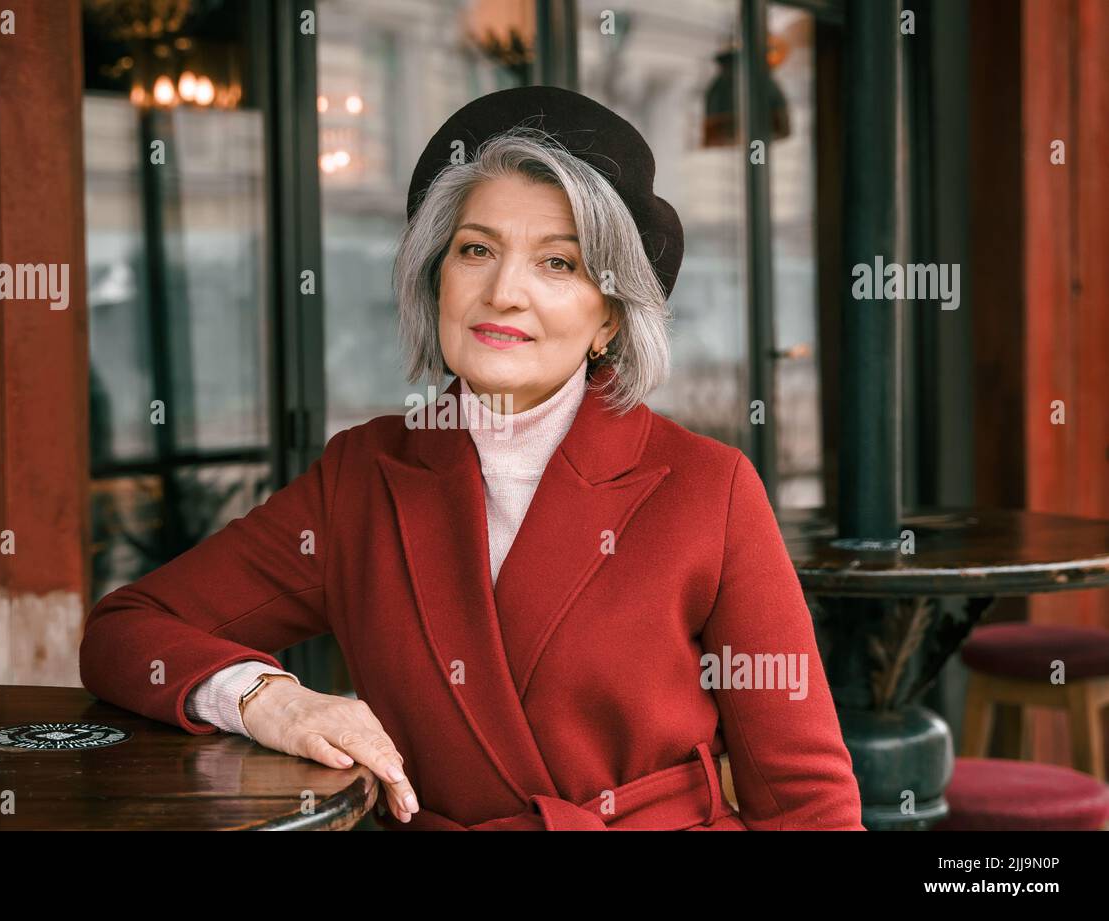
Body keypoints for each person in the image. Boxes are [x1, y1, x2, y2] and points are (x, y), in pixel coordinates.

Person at [80, 86, 865, 831]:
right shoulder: (362, 478)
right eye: (476, 249)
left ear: (610, 321)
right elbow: (127, 631)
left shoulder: (707, 487)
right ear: (437, 280)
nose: (504, 292)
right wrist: (269, 698)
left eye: (557, 262)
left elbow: (806, 798)